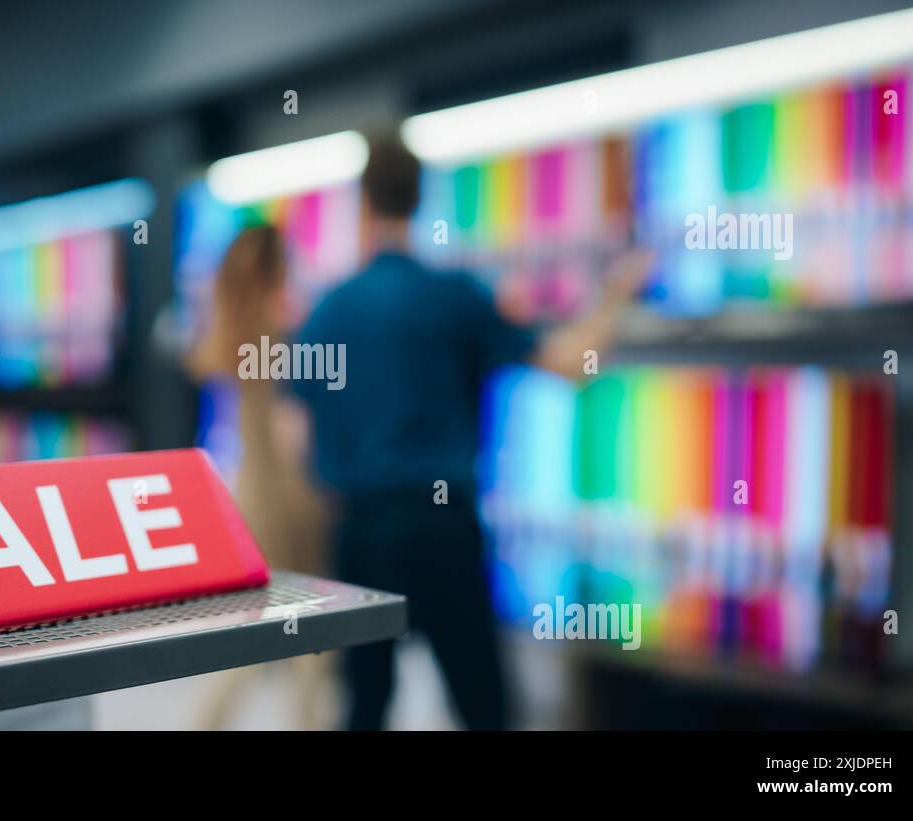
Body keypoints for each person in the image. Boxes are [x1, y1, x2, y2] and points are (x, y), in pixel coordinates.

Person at [292, 134, 652, 731]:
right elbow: (569, 364)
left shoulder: (329, 311)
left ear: (363, 203)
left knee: (364, 707)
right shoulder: (456, 298)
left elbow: (297, 441)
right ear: (419, 200)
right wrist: (618, 294)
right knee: (483, 706)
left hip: (359, 535)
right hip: (445, 531)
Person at [187, 224, 331, 730]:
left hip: (250, 490)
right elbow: (293, 424)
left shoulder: (228, 330)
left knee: (255, 633)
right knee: (313, 635)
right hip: (292, 491)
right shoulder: (283, 328)